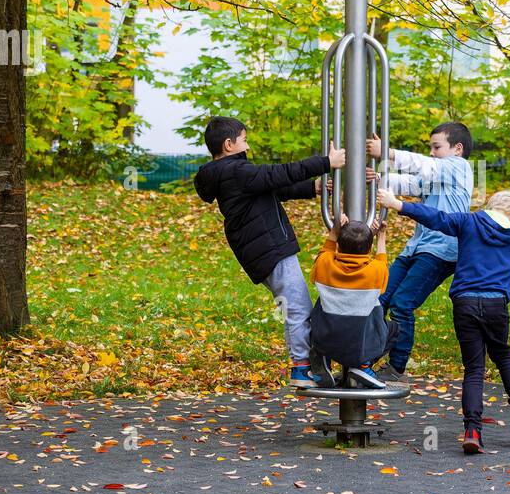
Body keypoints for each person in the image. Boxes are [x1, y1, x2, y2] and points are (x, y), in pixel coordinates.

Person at [376, 186, 510, 454]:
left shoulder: (468, 222)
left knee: (474, 368)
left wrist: (398, 205)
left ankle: (472, 430)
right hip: (496, 306)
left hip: (465, 304)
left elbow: (436, 217)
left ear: (490, 206)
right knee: (504, 357)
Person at [193, 116, 344, 384]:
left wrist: (313, 187)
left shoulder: (229, 173)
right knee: (297, 308)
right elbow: (279, 173)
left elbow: (272, 188)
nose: (247, 145)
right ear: (229, 144)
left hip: (260, 249)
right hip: (269, 248)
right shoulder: (236, 172)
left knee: (295, 305)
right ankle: (302, 368)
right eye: (244, 140)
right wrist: (325, 163)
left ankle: (307, 364)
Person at [364, 121, 473, 382]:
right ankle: (365, 359)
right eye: (430, 148)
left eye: (437, 147)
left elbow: (424, 165)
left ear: (457, 148)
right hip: (417, 247)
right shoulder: (438, 175)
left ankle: (396, 367)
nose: (432, 152)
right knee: (378, 299)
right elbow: (412, 183)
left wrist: (387, 152)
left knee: (402, 304)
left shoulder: (459, 167)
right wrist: (380, 178)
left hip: (441, 250)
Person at [307, 212, 397, 389]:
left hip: (325, 339)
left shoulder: (324, 264)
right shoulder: (376, 271)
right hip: (361, 343)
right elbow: (381, 259)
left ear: (339, 246)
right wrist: (381, 235)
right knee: (394, 329)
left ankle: (321, 356)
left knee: (321, 307)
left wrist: (335, 229)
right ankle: (364, 365)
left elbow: (326, 250)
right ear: (369, 249)